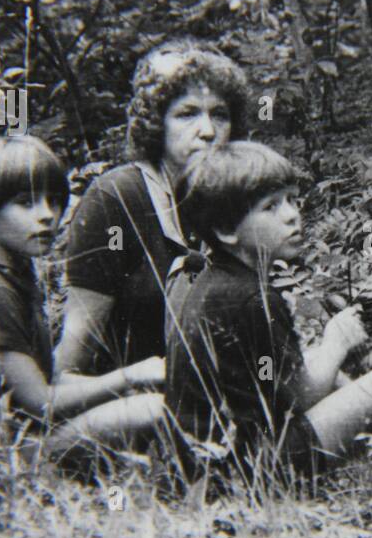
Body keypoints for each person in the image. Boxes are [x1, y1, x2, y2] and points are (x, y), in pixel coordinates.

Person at [163, 142, 372, 490]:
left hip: (207, 468)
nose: (292, 215)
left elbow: (278, 385)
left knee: (325, 364)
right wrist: (338, 341)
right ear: (226, 230)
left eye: (291, 199)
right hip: (256, 470)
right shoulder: (254, 298)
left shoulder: (216, 283)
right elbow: (302, 398)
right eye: (271, 206)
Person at [0, 136, 166, 458]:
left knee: (148, 400)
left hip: (9, 431)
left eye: (54, 200)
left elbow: (49, 382)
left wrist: (141, 378)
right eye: (26, 202)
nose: (47, 215)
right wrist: (131, 377)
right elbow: (40, 403)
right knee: (149, 408)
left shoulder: (4, 270)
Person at [56, 38, 249, 379]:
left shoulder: (232, 200)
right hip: (131, 407)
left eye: (220, 115)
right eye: (187, 114)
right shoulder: (115, 199)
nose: (207, 131)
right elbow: (72, 361)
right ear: (157, 123)